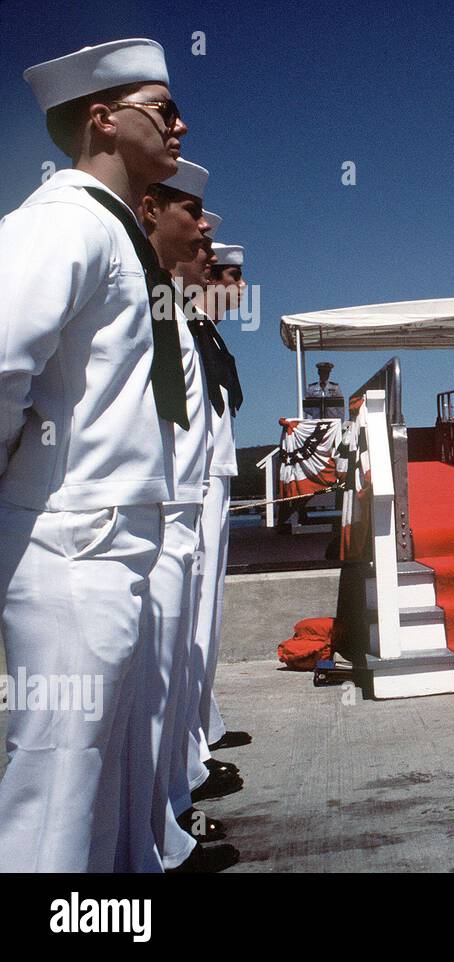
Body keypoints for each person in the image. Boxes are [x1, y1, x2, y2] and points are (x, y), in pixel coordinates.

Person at [0, 38, 189, 871]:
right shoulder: (64, 223)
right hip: (72, 535)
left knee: (103, 780)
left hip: (109, 535)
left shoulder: (110, 231)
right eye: (163, 108)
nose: (181, 125)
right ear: (104, 120)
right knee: (57, 781)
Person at [129, 159, 237, 872]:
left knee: (192, 637)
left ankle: (174, 791)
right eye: (215, 262)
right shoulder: (152, 302)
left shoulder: (189, 320)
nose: (208, 248)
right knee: (157, 663)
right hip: (160, 499)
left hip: (195, 489)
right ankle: (162, 810)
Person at [188, 239, 249, 796]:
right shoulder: (184, 323)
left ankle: (203, 726)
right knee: (192, 611)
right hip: (194, 481)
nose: (238, 287)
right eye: (228, 274)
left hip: (216, 476)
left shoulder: (207, 331)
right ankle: (189, 752)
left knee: (208, 611)